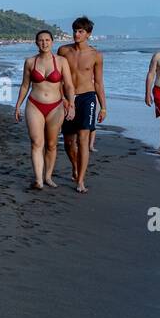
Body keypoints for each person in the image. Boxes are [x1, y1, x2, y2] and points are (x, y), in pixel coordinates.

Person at [15, 30, 77, 190]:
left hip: (56, 106)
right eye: (41, 40)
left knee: (51, 144)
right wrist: (17, 105)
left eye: (47, 40)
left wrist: (71, 104)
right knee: (36, 142)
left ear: (52, 42)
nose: (44, 43)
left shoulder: (61, 61)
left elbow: (69, 85)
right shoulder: (30, 62)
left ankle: (48, 176)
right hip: (34, 104)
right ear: (36, 43)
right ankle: (38, 180)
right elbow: (24, 85)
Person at [58, 16, 106, 193]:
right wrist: (62, 98)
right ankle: (75, 166)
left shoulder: (96, 55)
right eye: (75, 31)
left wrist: (104, 106)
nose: (76, 34)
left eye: (80, 31)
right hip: (68, 99)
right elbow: (57, 78)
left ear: (88, 34)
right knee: (69, 142)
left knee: (84, 140)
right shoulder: (63, 51)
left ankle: (81, 180)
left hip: (87, 97)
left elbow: (99, 83)